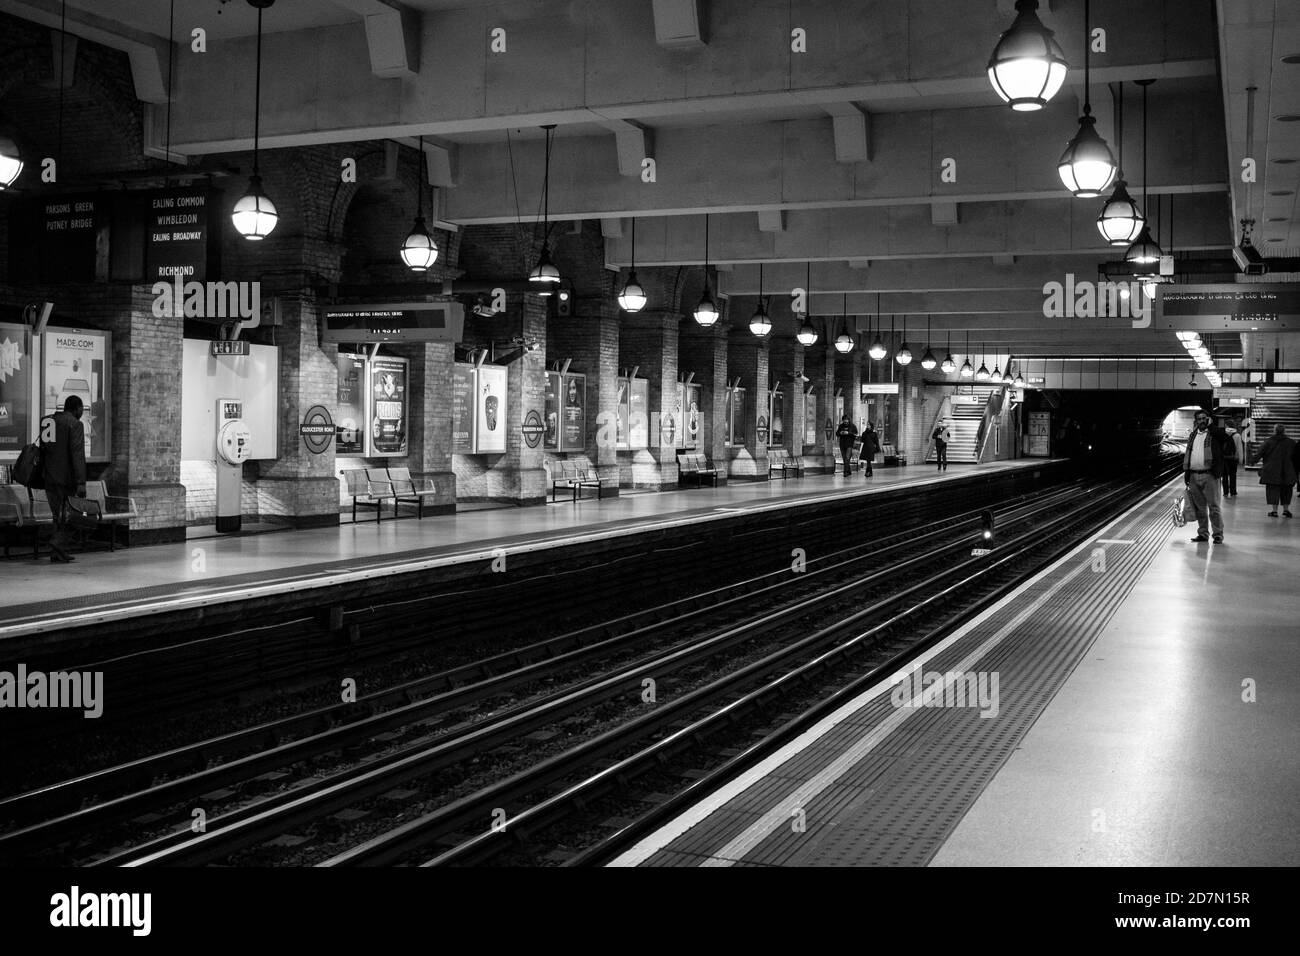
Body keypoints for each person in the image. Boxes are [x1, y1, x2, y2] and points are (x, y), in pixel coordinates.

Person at [40, 395, 87, 563]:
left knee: (56, 516)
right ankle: (56, 542)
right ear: (76, 408)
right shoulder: (75, 424)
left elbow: (44, 449)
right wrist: (81, 482)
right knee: (72, 516)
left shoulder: (48, 422)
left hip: (49, 477)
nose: (82, 412)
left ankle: (57, 553)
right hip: (66, 479)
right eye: (81, 409)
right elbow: (77, 455)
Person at [1182, 409, 1229, 544]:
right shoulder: (1193, 435)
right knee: (1200, 508)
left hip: (1210, 475)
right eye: (1199, 419)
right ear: (1196, 421)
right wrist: (1187, 474)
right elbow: (1189, 455)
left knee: (1214, 507)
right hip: (1193, 475)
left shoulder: (1214, 434)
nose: (1202, 421)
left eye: (1204, 418)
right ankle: (1203, 533)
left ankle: (1218, 534)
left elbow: (1227, 440)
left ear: (1208, 419)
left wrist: (1211, 426)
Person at [1248, 423, 1298, 518]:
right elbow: (1296, 457)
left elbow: (1260, 453)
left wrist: (1252, 461)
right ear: (1284, 431)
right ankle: (1286, 510)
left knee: (1273, 490)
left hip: (1271, 470)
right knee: (1287, 490)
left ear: (1274, 431)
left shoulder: (1268, 442)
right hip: (1287, 470)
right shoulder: (1291, 442)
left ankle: (1274, 511)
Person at [1221, 421, 1244, 497]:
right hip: (1233, 458)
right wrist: (1240, 459)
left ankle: (1225, 492)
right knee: (1233, 475)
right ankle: (1233, 492)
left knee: (1224, 475)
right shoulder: (1237, 435)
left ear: (1227, 425)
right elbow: (1239, 448)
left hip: (1224, 458)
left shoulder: (1223, 434)